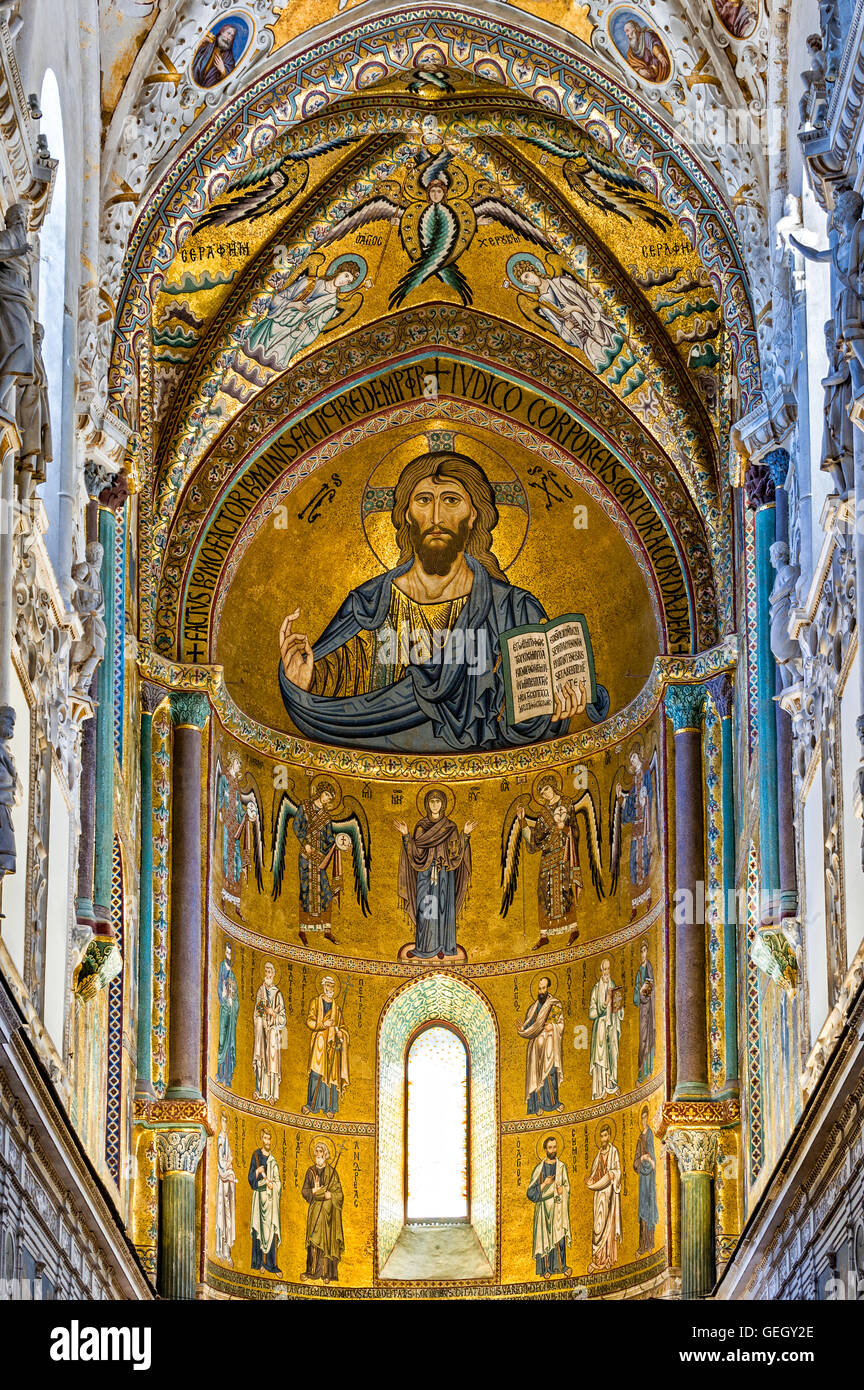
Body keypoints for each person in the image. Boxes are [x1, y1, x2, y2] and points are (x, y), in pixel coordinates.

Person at [278, 450, 584, 751]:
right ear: (408, 513)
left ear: (473, 513)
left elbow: (517, 728)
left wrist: (554, 713)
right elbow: (336, 696)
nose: (436, 517)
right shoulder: (369, 607)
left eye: (451, 500)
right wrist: (302, 683)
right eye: (424, 500)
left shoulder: (513, 611)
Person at [395, 789, 473, 958]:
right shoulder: (421, 826)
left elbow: (456, 852)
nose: (435, 805)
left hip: (444, 873)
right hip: (425, 874)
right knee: (426, 908)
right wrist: (406, 836)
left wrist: (465, 835)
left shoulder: (450, 827)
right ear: (427, 804)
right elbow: (415, 852)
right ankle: (425, 947)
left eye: (438, 801)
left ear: (443, 804)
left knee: (443, 908)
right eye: (432, 801)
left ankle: (443, 947)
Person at [246, 262, 363, 370]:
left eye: (349, 281)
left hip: (289, 339)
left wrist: (301, 331)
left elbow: (315, 330)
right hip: (271, 327)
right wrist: (293, 304)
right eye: (346, 275)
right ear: (339, 271)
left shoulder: (331, 304)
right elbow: (276, 300)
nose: (345, 281)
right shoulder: (310, 282)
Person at [517, 777, 585, 949]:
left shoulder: (567, 804)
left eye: (546, 789)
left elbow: (576, 831)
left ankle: (573, 929)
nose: (544, 794)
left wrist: (565, 829)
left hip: (564, 855)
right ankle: (544, 934)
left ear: (553, 787)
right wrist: (522, 821)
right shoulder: (543, 814)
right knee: (543, 893)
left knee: (565, 890)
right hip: (547, 858)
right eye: (541, 793)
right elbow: (534, 841)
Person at [514, 261, 619, 367]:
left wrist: (574, 308)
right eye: (526, 282)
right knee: (594, 353)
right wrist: (567, 328)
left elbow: (589, 298)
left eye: (527, 276)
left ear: (533, 270)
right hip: (582, 335)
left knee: (610, 341)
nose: (530, 281)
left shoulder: (562, 281)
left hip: (594, 322)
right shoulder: (543, 303)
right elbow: (560, 329)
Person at [516, 976, 565, 1115]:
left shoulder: (555, 1004)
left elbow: (561, 1025)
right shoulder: (533, 1008)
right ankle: (538, 1106)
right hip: (536, 1047)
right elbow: (530, 1025)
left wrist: (553, 1027)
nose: (541, 991)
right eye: (539, 988)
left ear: (548, 988)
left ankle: (553, 1103)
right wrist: (522, 1030)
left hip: (550, 1044)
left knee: (551, 1074)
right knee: (536, 1075)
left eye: (544, 988)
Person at [302, 975, 349, 1117]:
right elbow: (309, 1021)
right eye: (328, 985)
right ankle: (311, 1105)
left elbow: (343, 1027)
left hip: (332, 1045)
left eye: (332, 986)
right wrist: (323, 1024)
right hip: (320, 1044)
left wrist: (342, 1034)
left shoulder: (337, 1008)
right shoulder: (315, 1003)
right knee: (316, 1073)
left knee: (331, 1076)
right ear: (323, 986)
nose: (331, 989)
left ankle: (330, 1108)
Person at [526, 1134, 572, 1278]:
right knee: (545, 1239)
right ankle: (546, 1269)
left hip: (558, 1208)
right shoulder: (539, 1169)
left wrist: (562, 1190)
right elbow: (530, 1193)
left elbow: (566, 1185)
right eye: (550, 1147)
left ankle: (562, 1267)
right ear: (545, 1149)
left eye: (555, 1147)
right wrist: (545, 1183)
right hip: (543, 1208)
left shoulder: (561, 1166)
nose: (553, 1150)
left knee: (560, 1238)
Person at [301, 1141, 345, 1283]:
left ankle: (327, 1274)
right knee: (313, 1241)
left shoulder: (332, 1172)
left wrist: (330, 1195)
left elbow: (339, 1194)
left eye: (321, 1154)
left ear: (326, 1155)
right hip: (315, 1212)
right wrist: (314, 1191)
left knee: (327, 1242)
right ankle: (311, 1271)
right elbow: (305, 1191)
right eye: (316, 1154)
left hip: (328, 1215)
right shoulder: (310, 1171)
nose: (318, 1157)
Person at [586, 1124, 622, 1273]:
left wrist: (614, 1174)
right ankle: (598, 1258)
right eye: (601, 1136)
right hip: (599, 1194)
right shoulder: (599, 1154)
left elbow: (618, 1170)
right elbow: (595, 1173)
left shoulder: (614, 1152)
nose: (603, 1139)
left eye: (605, 1135)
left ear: (609, 1136)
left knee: (609, 1224)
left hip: (610, 1192)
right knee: (598, 1226)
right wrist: (590, 1180)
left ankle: (608, 1258)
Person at [588, 957, 624, 1099]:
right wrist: (605, 1002)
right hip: (601, 1027)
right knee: (601, 1056)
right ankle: (602, 1087)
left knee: (613, 1053)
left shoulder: (613, 985)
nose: (606, 972)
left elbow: (617, 1008)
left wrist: (619, 1007)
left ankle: (612, 1084)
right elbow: (591, 1013)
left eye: (608, 969)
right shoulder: (596, 989)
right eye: (604, 969)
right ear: (600, 971)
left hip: (613, 1025)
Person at [248, 1129, 281, 1274]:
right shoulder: (256, 1156)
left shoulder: (273, 1161)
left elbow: (278, 1182)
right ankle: (259, 1263)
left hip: (270, 1201)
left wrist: (273, 1185)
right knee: (258, 1230)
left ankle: (271, 1265)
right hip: (258, 1198)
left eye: (269, 1138)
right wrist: (257, 1171)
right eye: (265, 1138)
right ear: (261, 1138)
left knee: (271, 1230)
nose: (267, 1141)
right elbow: (250, 1178)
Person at [252, 961, 286, 1101]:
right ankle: (260, 1091)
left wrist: (273, 1014)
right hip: (261, 1031)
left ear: (274, 974)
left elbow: (283, 1019)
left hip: (272, 1033)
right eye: (266, 971)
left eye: (270, 972)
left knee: (272, 1062)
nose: (267, 974)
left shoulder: (277, 994)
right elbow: (257, 1012)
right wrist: (262, 1017)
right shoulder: (261, 991)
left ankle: (272, 1094)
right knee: (261, 1060)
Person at [633, 1107, 658, 1255]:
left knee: (650, 1207)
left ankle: (651, 1244)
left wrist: (651, 1160)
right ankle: (643, 1246)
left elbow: (654, 1153)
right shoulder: (639, 1138)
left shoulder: (650, 1135)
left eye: (646, 1117)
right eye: (642, 1118)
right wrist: (642, 1159)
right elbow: (635, 1161)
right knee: (642, 1208)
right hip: (643, 1178)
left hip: (651, 1178)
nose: (644, 1121)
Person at [216, 942, 239, 1086]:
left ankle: (228, 1077)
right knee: (222, 1041)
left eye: (230, 953)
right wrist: (224, 997)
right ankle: (220, 1074)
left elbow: (235, 996)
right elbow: (220, 986)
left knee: (230, 1044)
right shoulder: (221, 968)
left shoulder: (233, 974)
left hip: (230, 1013)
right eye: (226, 952)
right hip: (223, 1012)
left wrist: (233, 1004)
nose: (228, 955)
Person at [215, 1115, 237, 1264]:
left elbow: (228, 1159)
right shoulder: (220, 1140)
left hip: (228, 1188)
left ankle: (227, 1250)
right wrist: (227, 1168)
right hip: (222, 1187)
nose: (224, 1124)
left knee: (228, 1220)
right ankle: (221, 1250)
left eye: (225, 1122)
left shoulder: (226, 1138)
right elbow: (221, 1162)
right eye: (222, 1121)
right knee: (222, 1219)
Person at [633, 940, 655, 1084]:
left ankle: (649, 1069)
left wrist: (647, 990)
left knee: (650, 1036)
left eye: (645, 951)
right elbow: (636, 992)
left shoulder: (649, 967)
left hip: (650, 1008)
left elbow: (652, 984)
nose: (643, 954)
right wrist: (639, 994)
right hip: (643, 1010)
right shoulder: (638, 972)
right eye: (641, 951)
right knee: (642, 1039)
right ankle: (641, 1072)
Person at [621, 19, 671, 83]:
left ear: (635, 29)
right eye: (625, 32)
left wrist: (659, 55)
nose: (627, 34)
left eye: (627, 31)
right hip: (647, 70)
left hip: (658, 67)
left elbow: (653, 44)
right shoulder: (631, 48)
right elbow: (632, 63)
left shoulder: (645, 35)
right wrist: (639, 70)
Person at [192, 23, 240, 88]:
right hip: (194, 78)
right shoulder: (208, 43)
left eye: (232, 36)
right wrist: (200, 43)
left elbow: (230, 78)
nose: (229, 38)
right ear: (222, 32)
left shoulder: (229, 58)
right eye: (228, 33)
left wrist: (223, 70)